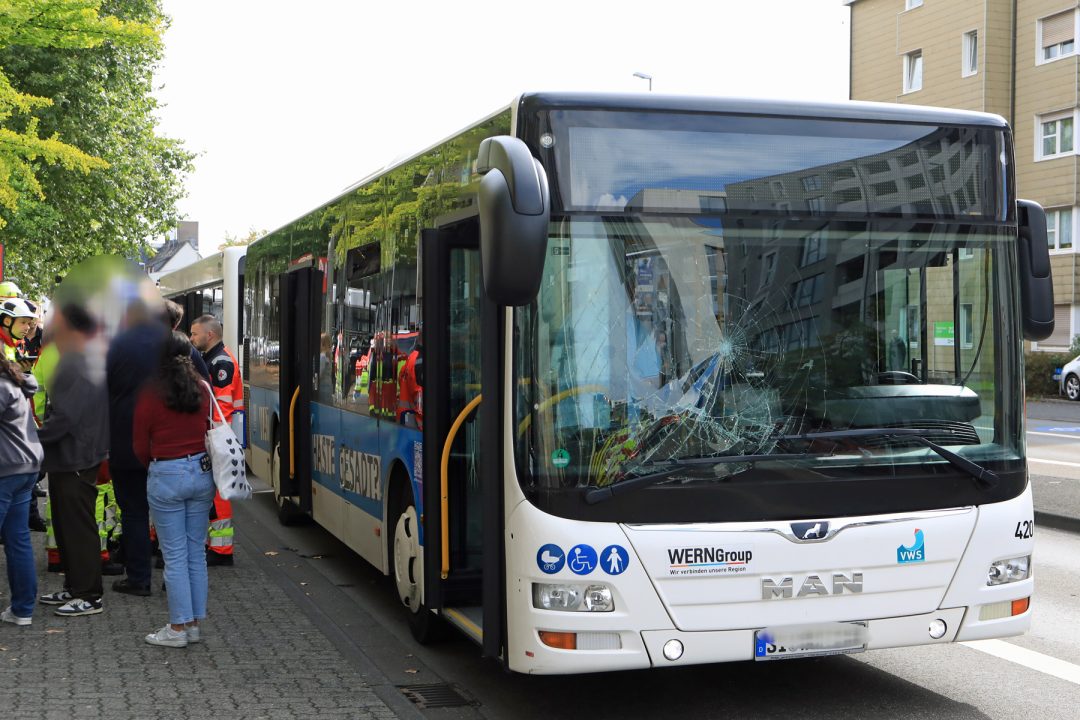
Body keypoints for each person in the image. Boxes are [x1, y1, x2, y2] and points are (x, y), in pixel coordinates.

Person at [133, 331, 216, 648]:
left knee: (175, 556)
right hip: (201, 472)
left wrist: (155, 466)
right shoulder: (203, 387)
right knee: (196, 553)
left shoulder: (150, 393)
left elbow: (140, 444)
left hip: (166, 473)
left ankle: (177, 628)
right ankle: (194, 625)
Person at [36, 304, 110, 617]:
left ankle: (89, 594)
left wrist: (34, 439)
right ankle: (76, 585)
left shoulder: (77, 361)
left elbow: (65, 414)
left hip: (75, 454)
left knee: (77, 526)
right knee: (68, 526)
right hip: (75, 452)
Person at [106, 301, 167, 596]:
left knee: (133, 512)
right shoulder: (171, 344)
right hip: (166, 443)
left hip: (125, 441)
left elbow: (100, 390)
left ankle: (139, 578)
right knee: (171, 513)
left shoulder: (115, 346)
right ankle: (175, 578)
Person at [189, 314, 240, 566]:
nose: (191, 338)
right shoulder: (215, 358)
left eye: (194, 333)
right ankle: (218, 546)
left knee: (220, 492)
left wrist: (209, 436)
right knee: (216, 491)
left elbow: (221, 407)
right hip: (220, 435)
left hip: (219, 436)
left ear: (209, 335)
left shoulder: (221, 363)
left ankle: (222, 550)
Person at [0, 356, 44, 626]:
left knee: (18, 541)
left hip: (6, 470)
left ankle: (22, 609)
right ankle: (22, 610)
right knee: (18, 541)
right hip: (26, 467)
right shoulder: (13, 382)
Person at [0, 297, 37, 365]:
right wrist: (16, 370)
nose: (28, 327)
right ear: (7, 321)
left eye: (29, 323)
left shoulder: (16, 344)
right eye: (23, 322)